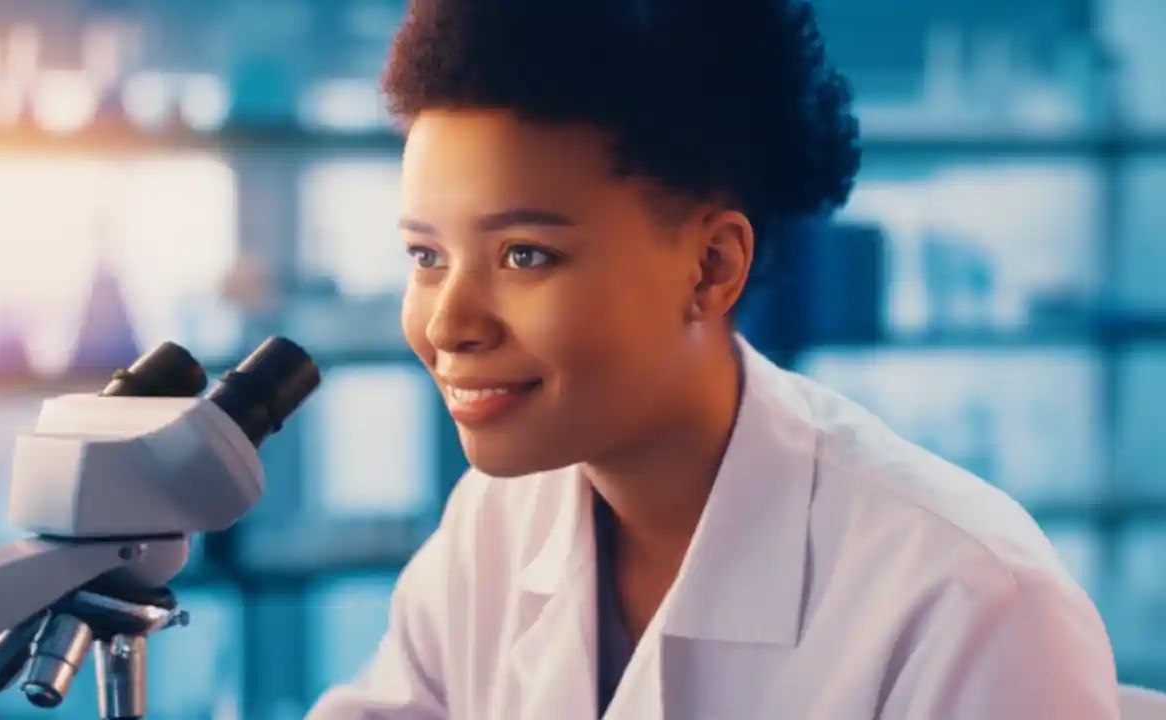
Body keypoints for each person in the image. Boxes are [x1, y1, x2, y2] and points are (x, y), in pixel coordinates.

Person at [307, 0, 1119, 717]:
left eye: (524, 256)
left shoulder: (969, 610)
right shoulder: (496, 523)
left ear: (711, 268)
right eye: (425, 256)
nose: (448, 324)